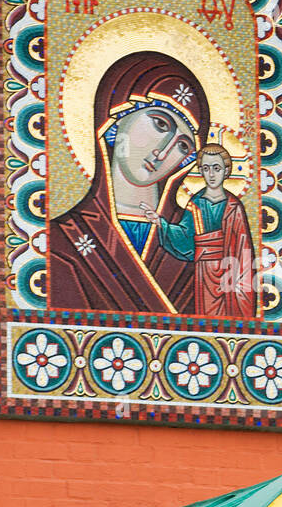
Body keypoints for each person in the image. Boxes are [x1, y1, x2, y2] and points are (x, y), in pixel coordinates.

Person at [49, 51, 210, 313]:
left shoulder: (191, 240)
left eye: (182, 145)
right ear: (115, 118)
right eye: (160, 124)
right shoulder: (63, 238)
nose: (163, 152)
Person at [141, 144, 255, 319]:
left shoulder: (234, 207)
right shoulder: (196, 203)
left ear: (226, 171)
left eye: (216, 168)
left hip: (230, 271)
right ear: (201, 171)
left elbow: (242, 249)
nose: (211, 174)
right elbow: (185, 236)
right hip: (204, 270)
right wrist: (160, 222)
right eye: (206, 168)